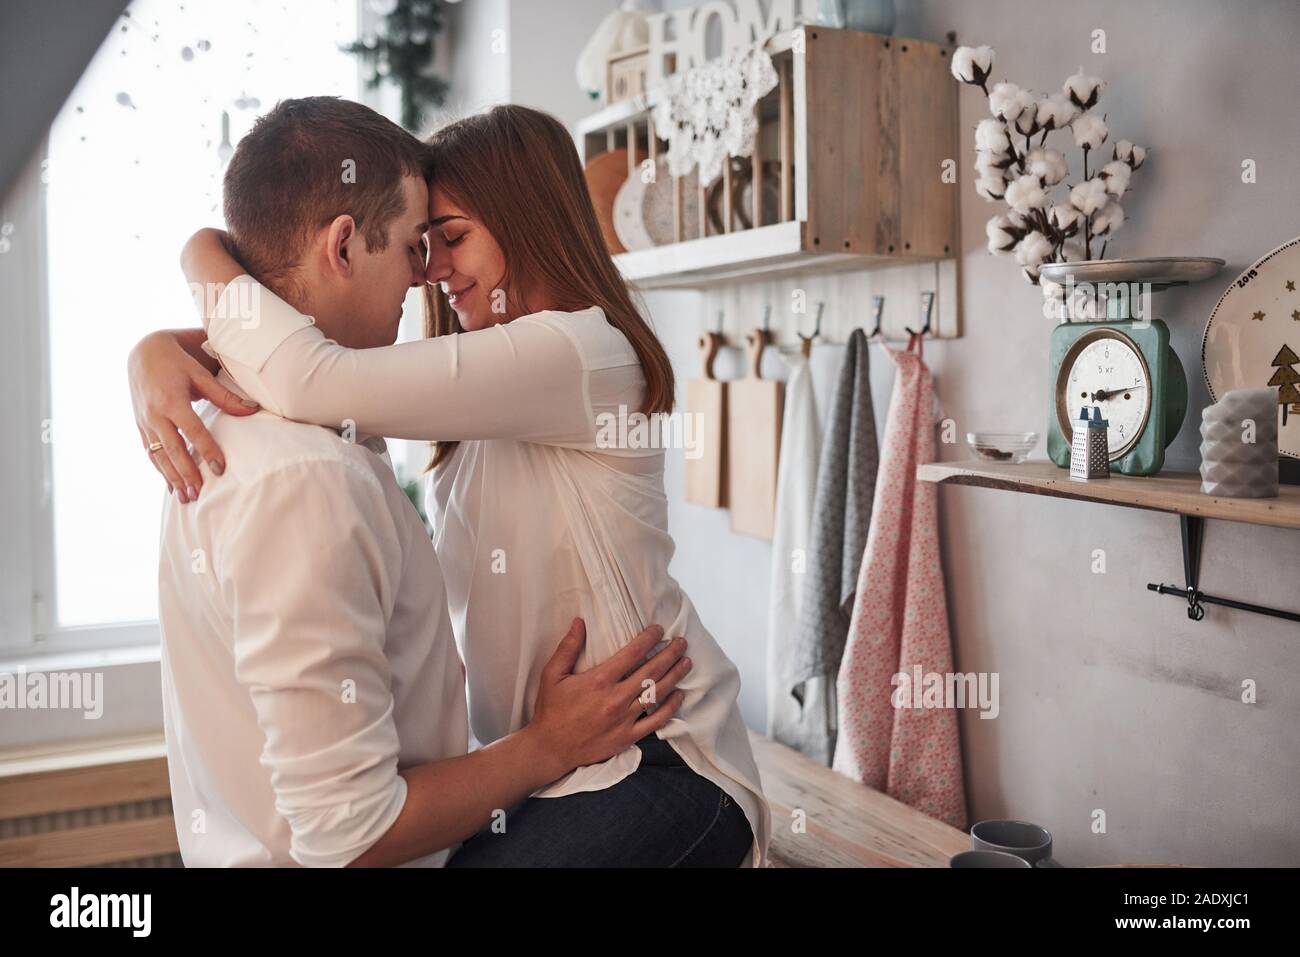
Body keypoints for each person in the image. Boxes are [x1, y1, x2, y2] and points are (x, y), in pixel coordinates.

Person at [131, 101, 770, 867]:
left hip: (657, 752)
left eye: (452, 238)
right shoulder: (468, 395)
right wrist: (166, 347)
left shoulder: (576, 352)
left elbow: (307, 374)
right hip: (563, 760)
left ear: (527, 218)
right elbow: (295, 364)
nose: (429, 269)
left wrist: (198, 259)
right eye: (419, 244)